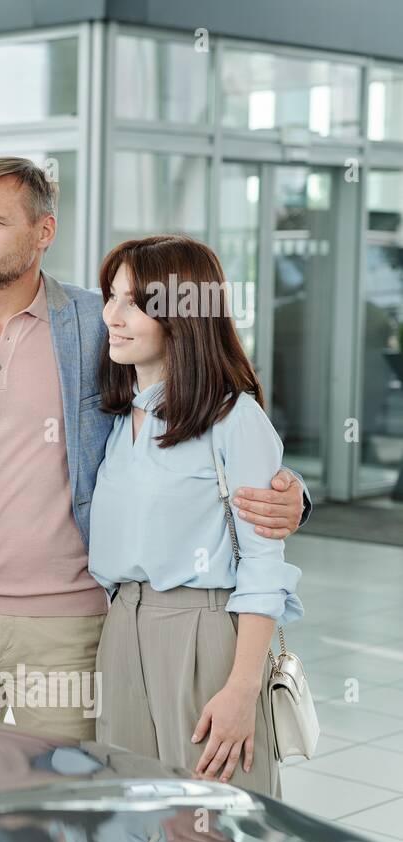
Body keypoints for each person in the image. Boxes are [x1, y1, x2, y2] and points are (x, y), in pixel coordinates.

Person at [0, 156, 308, 740]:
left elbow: (204, 406)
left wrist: (294, 494)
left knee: (62, 815)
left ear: (43, 232)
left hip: (71, 626)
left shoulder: (101, 325)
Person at [88, 235, 303, 796]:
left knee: (213, 825)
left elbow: (263, 567)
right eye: (111, 297)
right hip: (119, 628)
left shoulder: (235, 419)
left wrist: (240, 690)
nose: (112, 315)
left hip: (203, 632)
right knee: (132, 819)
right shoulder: (118, 420)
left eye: (135, 302)